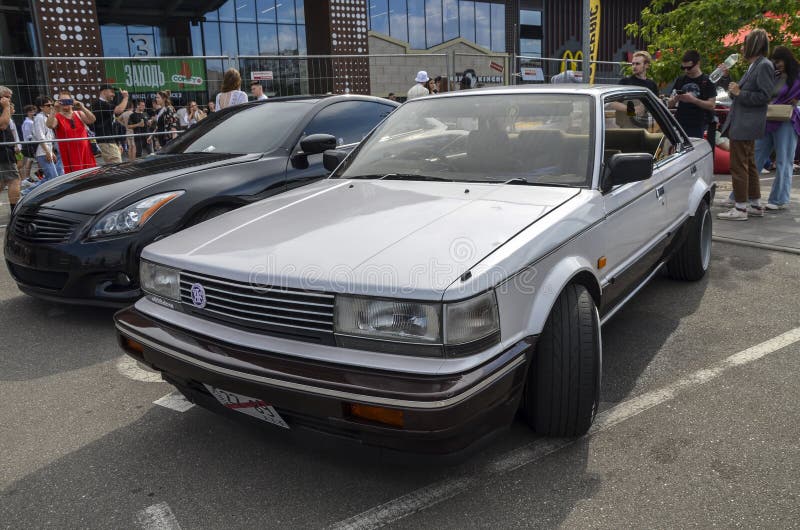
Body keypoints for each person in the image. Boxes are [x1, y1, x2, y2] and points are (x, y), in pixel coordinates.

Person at [717, 29, 775, 221]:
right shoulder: (756, 65)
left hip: (746, 123)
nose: (741, 47)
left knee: (739, 166)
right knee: (749, 165)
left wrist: (740, 93)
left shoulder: (763, 65)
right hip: (746, 122)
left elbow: (765, 96)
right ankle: (754, 204)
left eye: (744, 43)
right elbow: (744, 92)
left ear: (754, 45)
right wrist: (730, 83)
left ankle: (741, 208)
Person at [756, 46, 800, 210]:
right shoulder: (775, 75)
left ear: (786, 59)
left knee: (784, 161)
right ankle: (743, 194)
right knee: (756, 156)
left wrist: (797, 100)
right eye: (775, 61)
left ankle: (778, 199)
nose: (777, 64)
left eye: (779, 61)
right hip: (769, 119)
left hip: (787, 120)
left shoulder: (797, 76)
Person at [667, 50, 716, 139]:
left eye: (689, 68)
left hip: (698, 125)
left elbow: (712, 105)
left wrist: (693, 100)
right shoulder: (680, 80)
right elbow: (670, 104)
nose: (686, 70)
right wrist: (674, 99)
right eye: (683, 68)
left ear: (698, 64)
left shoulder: (707, 80)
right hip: (679, 123)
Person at [46, 91, 97, 174]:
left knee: (90, 175)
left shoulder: (79, 114)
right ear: (59, 102)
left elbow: (92, 120)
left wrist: (82, 107)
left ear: (72, 101)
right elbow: (50, 125)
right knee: (75, 177)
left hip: (85, 151)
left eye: (67, 100)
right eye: (62, 101)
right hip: (69, 154)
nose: (65, 103)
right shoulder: (57, 116)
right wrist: (54, 110)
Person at [92, 84, 128, 164]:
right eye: (111, 92)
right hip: (106, 141)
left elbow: (112, 125)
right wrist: (125, 97)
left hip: (110, 141)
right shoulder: (100, 103)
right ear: (104, 92)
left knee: (114, 166)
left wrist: (117, 143)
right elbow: (119, 110)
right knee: (116, 167)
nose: (114, 94)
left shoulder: (104, 104)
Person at [32, 96, 64, 182]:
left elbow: (49, 137)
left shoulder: (47, 117)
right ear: (41, 107)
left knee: (51, 178)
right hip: (42, 152)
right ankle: (27, 192)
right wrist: (47, 151)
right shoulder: (39, 118)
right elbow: (40, 136)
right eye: (48, 105)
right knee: (52, 178)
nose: (51, 107)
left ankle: (27, 191)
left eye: (52, 105)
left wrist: (51, 151)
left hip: (46, 151)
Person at [0, 85, 21, 208]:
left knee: (3, 181)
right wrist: (6, 107)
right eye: (7, 98)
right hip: (3, 150)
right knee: (14, 179)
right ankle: (15, 210)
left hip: (6, 149)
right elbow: (2, 125)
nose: (9, 101)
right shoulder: (4, 107)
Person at [20, 104, 37, 180]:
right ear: (27, 112)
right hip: (29, 143)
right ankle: (27, 176)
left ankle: (28, 176)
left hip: (31, 142)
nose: (32, 112)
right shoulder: (28, 122)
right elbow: (28, 134)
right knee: (29, 160)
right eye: (30, 111)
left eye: (33, 110)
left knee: (30, 160)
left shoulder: (32, 120)